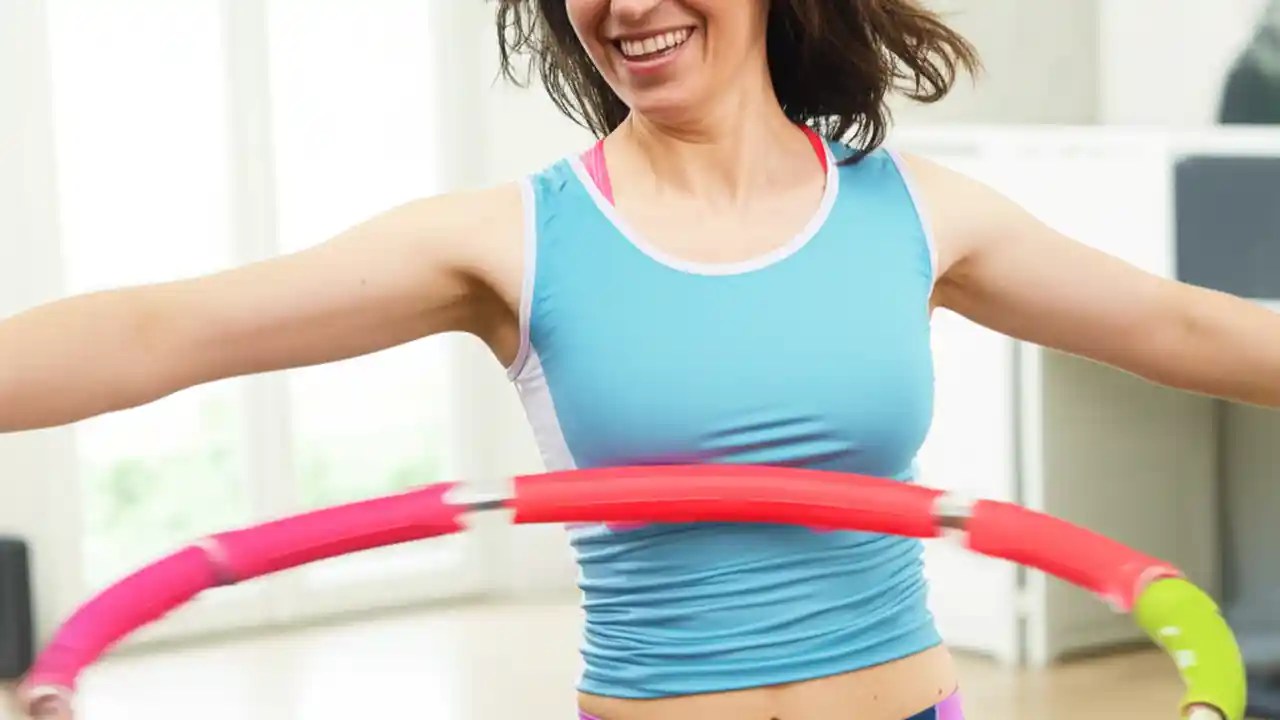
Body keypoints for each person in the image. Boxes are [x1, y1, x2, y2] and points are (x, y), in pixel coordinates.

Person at [5, 1, 1280, 718]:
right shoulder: (510, 239)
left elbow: (1195, 333)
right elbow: (163, 330)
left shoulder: (920, 213)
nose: (625, 5)